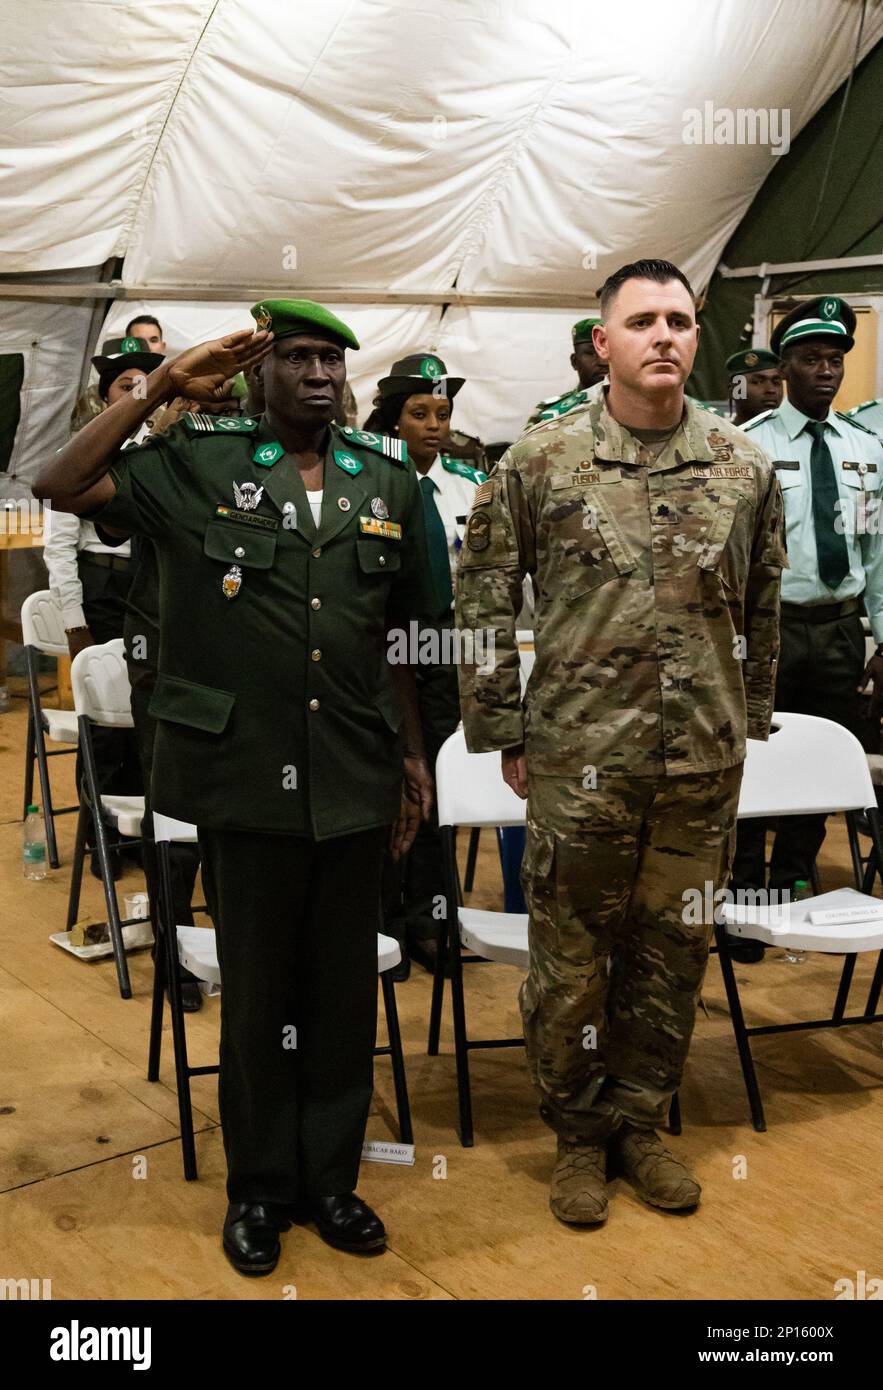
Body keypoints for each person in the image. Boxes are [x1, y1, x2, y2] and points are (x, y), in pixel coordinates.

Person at [34, 298, 436, 1277]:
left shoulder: (386, 480)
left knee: (342, 991)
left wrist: (414, 762)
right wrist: (162, 389)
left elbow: (410, 635)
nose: (317, 374)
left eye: (331, 360)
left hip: (352, 771)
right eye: (295, 357)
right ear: (256, 376)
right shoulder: (196, 466)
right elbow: (61, 478)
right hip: (247, 778)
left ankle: (331, 1181)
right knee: (259, 996)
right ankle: (258, 1188)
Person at [455, 258, 786, 1225]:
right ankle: (575, 1136)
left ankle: (640, 1123)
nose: (665, 337)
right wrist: (504, 727)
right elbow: (480, 599)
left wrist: (747, 716)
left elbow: (760, 602)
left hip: (699, 764)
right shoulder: (540, 461)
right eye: (642, 321)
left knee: (673, 950)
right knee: (570, 959)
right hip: (578, 759)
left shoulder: (741, 465)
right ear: (602, 343)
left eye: (680, 321)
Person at [730, 297, 883, 936]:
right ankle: (743, 890)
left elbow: (875, 552)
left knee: (818, 761)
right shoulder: (749, 445)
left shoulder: (865, 449)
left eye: (835, 359)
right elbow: (732, 556)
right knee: (755, 757)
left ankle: (795, 878)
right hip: (771, 630)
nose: (826, 370)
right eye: (811, 359)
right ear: (786, 366)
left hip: (841, 629)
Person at [373, 353, 485, 976]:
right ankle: (385, 920)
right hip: (382, 643)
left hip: (445, 646)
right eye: (420, 413)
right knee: (389, 780)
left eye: (442, 413)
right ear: (394, 421)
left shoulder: (469, 488)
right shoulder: (369, 482)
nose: (434, 425)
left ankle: (433, 916)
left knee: (438, 782)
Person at [44, 336, 164, 877]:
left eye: (145, 382)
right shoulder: (86, 449)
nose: (136, 391)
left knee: (144, 717)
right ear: (103, 393)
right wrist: (74, 623)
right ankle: (101, 839)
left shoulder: (163, 446)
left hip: (148, 589)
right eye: (124, 383)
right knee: (103, 724)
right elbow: (59, 546)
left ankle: (141, 831)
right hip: (101, 589)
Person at [524, 316, 607, 428]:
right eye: (591, 353)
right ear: (575, 361)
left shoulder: (635, 408)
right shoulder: (550, 413)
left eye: (609, 351)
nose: (603, 362)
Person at [726, 348, 783, 427]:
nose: (771, 390)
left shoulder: (793, 436)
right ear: (735, 391)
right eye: (757, 382)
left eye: (776, 382)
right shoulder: (720, 437)